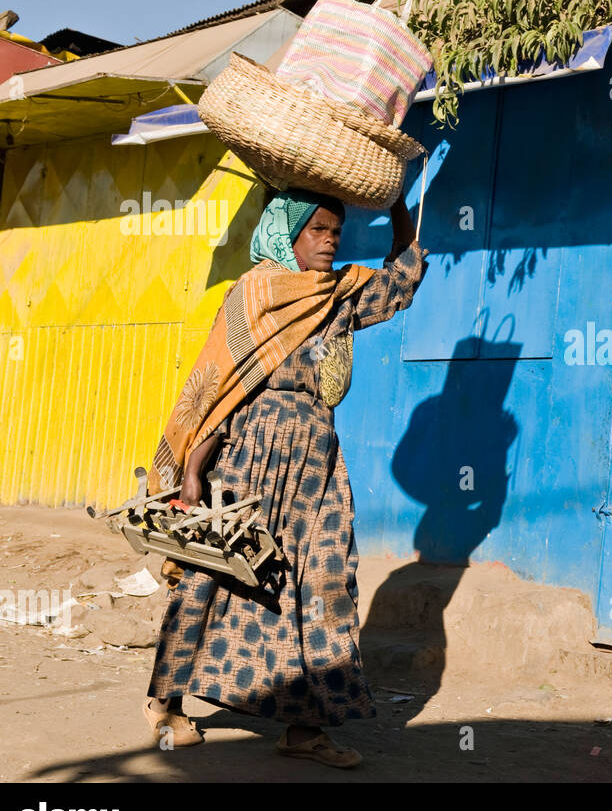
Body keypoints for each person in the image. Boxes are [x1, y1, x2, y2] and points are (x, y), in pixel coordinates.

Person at [141, 187, 427, 768]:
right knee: (214, 570)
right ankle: (166, 704)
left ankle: (305, 727)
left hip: (315, 460)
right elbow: (217, 386)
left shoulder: (339, 295)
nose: (330, 240)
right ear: (286, 234)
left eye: (337, 231)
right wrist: (193, 470)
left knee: (322, 580)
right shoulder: (253, 295)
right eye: (317, 230)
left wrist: (398, 208)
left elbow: (400, 281)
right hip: (247, 454)